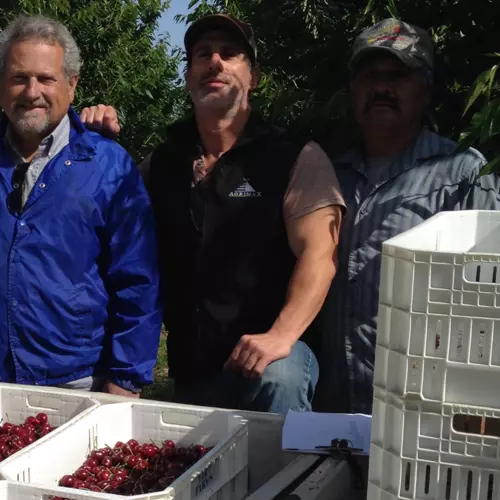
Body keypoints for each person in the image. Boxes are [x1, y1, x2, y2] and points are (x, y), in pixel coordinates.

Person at [82, 14, 345, 414]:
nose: (215, 62)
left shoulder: (294, 157)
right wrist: (90, 145)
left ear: (253, 75)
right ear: (189, 78)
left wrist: (280, 336)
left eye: (230, 53)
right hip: (195, 370)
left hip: (272, 362)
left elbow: (321, 255)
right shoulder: (162, 164)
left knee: (281, 382)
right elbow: (109, 235)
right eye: (203, 54)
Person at [312, 18, 500, 414]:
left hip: (424, 413)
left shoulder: (463, 173)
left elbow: (486, 301)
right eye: (369, 76)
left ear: (426, 90)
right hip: (332, 411)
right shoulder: (326, 175)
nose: (381, 87)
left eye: (398, 76)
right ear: (352, 90)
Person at [0, 15, 162, 396]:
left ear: (72, 86)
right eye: (19, 78)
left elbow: (138, 281)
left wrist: (126, 379)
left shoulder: (109, 167)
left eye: (46, 78)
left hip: (76, 384)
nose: (32, 91)